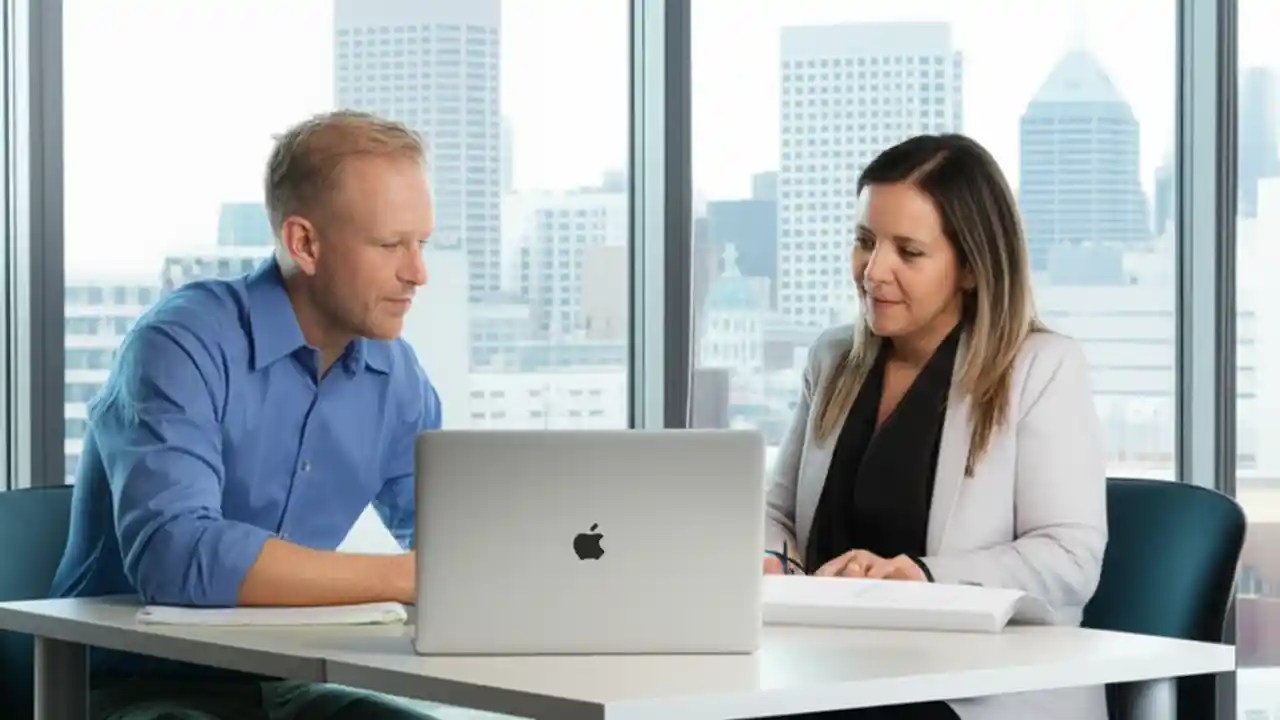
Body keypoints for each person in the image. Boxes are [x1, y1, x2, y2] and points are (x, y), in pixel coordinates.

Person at [50, 110, 445, 720]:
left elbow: (456, 545)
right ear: (303, 243)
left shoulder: (398, 380)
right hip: (129, 685)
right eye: (391, 245)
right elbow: (177, 554)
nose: (417, 272)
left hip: (277, 680)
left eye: (422, 244)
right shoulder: (183, 342)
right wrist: (404, 577)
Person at [762, 134, 1108, 720]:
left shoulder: (1040, 368)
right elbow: (778, 516)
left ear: (971, 266)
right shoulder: (833, 359)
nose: (874, 272)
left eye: (909, 252)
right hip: (826, 670)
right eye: (864, 242)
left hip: (967, 690)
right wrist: (771, 560)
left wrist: (922, 576)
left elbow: (1069, 559)